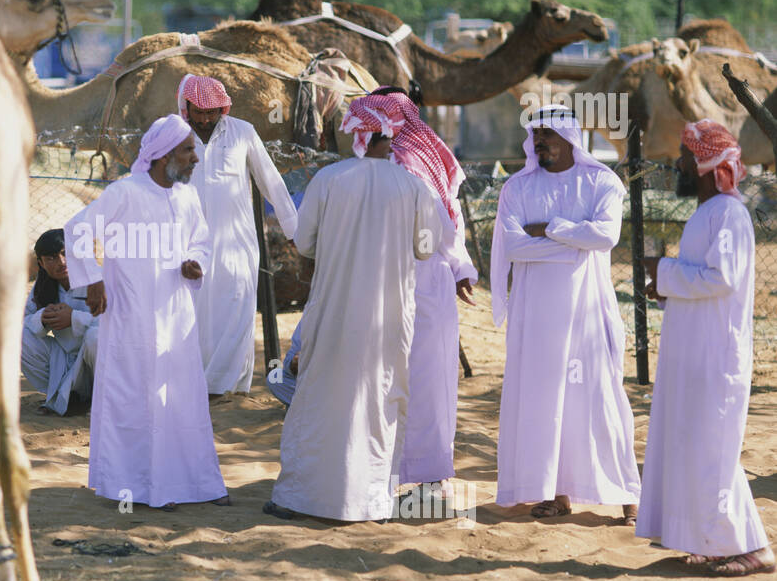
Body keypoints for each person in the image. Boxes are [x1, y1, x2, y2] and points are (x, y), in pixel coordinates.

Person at [265, 93, 443, 523]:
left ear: (361, 135)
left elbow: (304, 242)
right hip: (388, 317)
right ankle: (371, 502)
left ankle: (302, 498)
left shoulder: (329, 180)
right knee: (379, 400)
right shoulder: (415, 187)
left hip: (332, 312)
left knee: (320, 396)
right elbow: (426, 249)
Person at [63, 113, 228, 510]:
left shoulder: (187, 196)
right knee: (137, 396)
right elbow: (78, 230)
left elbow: (201, 242)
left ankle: (195, 483)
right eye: (188, 150)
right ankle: (139, 486)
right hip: (132, 317)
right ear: (163, 153)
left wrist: (194, 262)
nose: (195, 158)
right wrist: (95, 280)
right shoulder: (126, 192)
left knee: (183, 397)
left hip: (177, 316)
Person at [490, 106, 640, 522]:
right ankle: (557, 494)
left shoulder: (601, 182)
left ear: (569, 137)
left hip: (587, 315)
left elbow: (606, 236)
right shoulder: (517, 189)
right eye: (535, 137)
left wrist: (550, 227)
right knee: (545, 402)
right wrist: (575, 239)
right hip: (535, 317)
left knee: (600, 399)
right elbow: (514, 247)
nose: (539, 144)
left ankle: (628, 496)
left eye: (548, 136)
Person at [638, 122, 775, 575]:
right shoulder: (706, 213)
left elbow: (722, 279)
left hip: (717, 356)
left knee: (713, 451)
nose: (677, 162)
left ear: (706, 165)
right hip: (691, 354)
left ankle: (753, 547)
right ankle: (712, 542)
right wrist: (665, 281)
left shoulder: (730, 214)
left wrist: (666, 269)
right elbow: (699, 278)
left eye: (684, 154)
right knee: (692, 446)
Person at [349, 88, 477, 496]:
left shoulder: (404, 164)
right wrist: (461, 269)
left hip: (417, 283)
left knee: (421, 380)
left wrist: (456, 268)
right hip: (411, 282)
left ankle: (423, 475)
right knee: (400, 379)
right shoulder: (407, 160)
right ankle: (396, 473)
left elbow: (436, 227)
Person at [180, 74, 300, 397]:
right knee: (194, 317)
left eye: (212, 111)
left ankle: (228, 389)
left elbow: (271, 182)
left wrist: (294, 230)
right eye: (199, 111)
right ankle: (197, 387)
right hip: (189, 249)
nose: (205, 119)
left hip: (237, 246)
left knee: (235, 314)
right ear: (186, 107)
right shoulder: (176, 137)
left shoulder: (243, 133)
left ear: (223, 109)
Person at [20, 228, 99, 415]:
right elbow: (23, 320)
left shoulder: (97, 280)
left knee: (95, 337)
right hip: (66, 362)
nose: (61, 262)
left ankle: (102, 398)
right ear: (41, 263)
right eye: (51, 258)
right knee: (16, 336)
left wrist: (73, 318)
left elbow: (118, 325)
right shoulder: (43, 287)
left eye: (65, 254)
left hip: (101, 364)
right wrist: (42, 318)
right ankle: (69, 397)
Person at [266, 318, 303, 408]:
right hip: (313, 380)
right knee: (275, 377)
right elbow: (290, 358)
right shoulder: (310, 316)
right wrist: (293, 364)